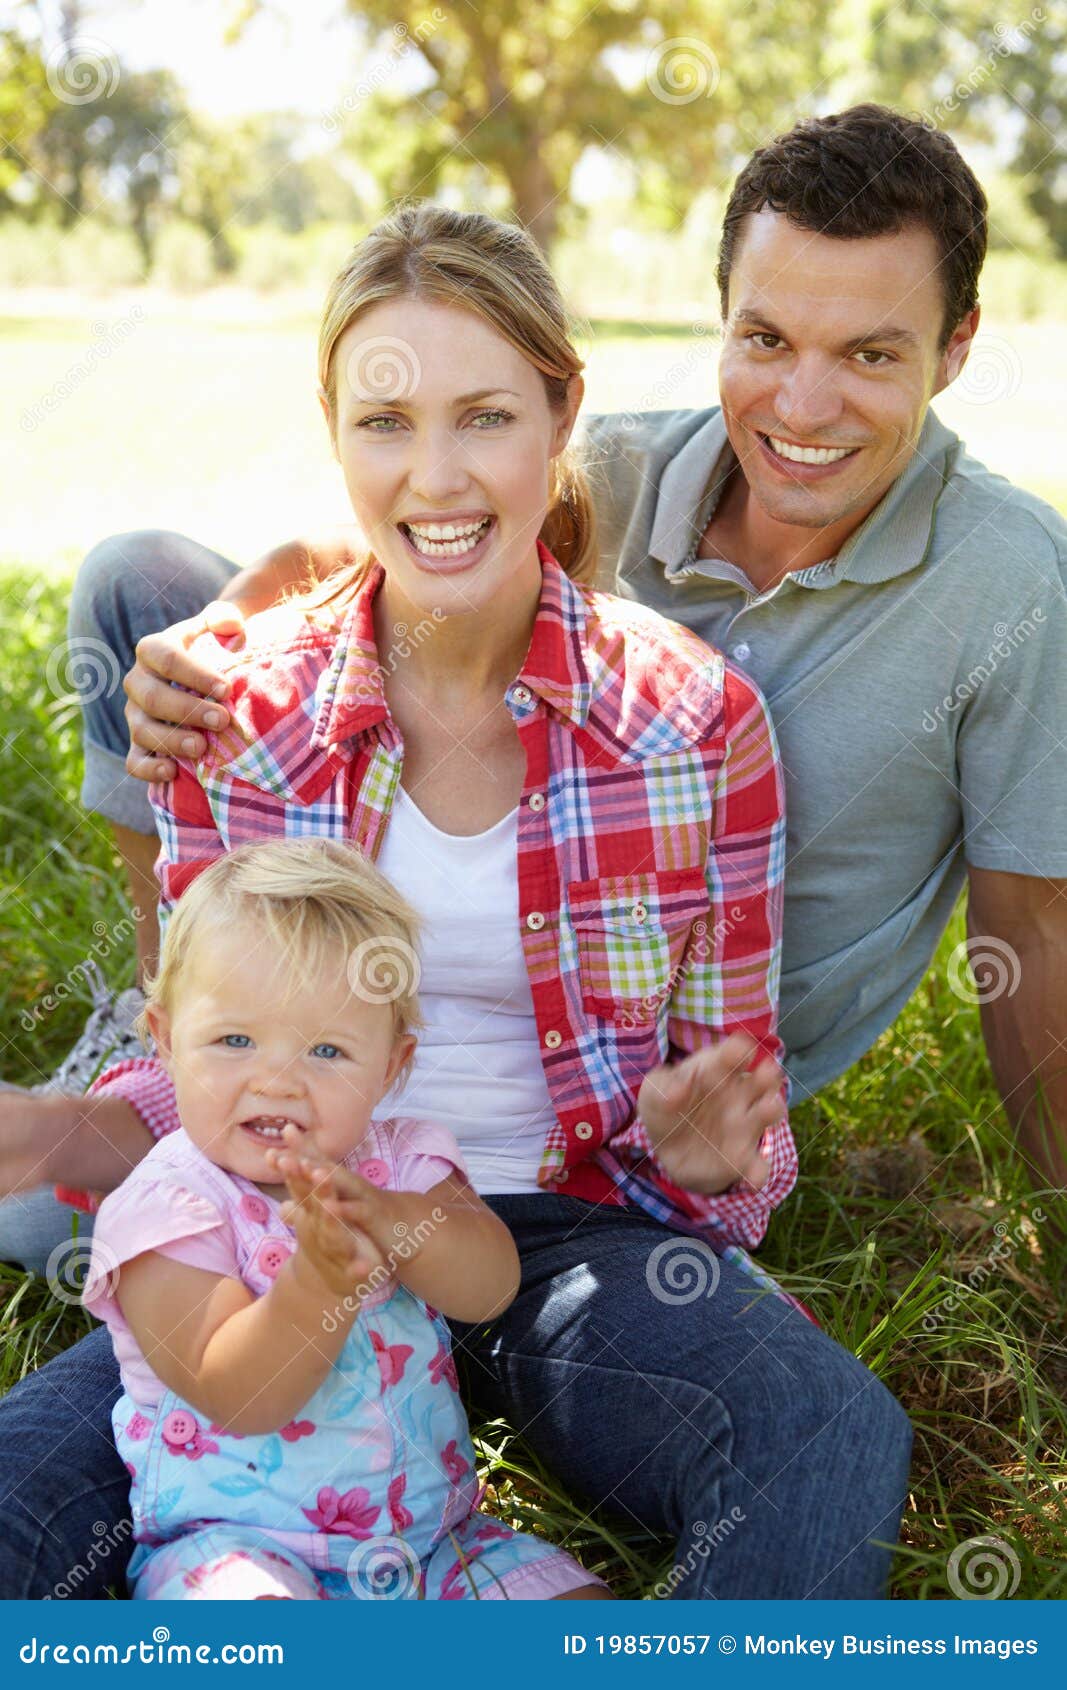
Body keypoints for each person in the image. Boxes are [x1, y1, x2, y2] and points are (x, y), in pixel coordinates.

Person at [0, 199, 910, 1603]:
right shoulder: (238, 713)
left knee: (824, 1433)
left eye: (483, 416)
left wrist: (713, 1155)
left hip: (573, 1243)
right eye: (386, 423)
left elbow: (739, 1115)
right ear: (335, 434)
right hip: (283, 1222)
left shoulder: (693, 724)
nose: (435, 476)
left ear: (559, 415)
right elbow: (209, 1066)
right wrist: (64, 1129)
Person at [81, 836, 610, 1601]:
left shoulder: (400, 1164)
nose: (277, 1081)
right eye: (234, 1040)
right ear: (165, 1040)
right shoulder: (165, 1209)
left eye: (326, 1050)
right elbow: (241, 1394)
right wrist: (319, 1283)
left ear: (391, 1067)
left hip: (435, 1544)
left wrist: (397, 1220)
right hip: (242, 1549)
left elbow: (490, 1287)